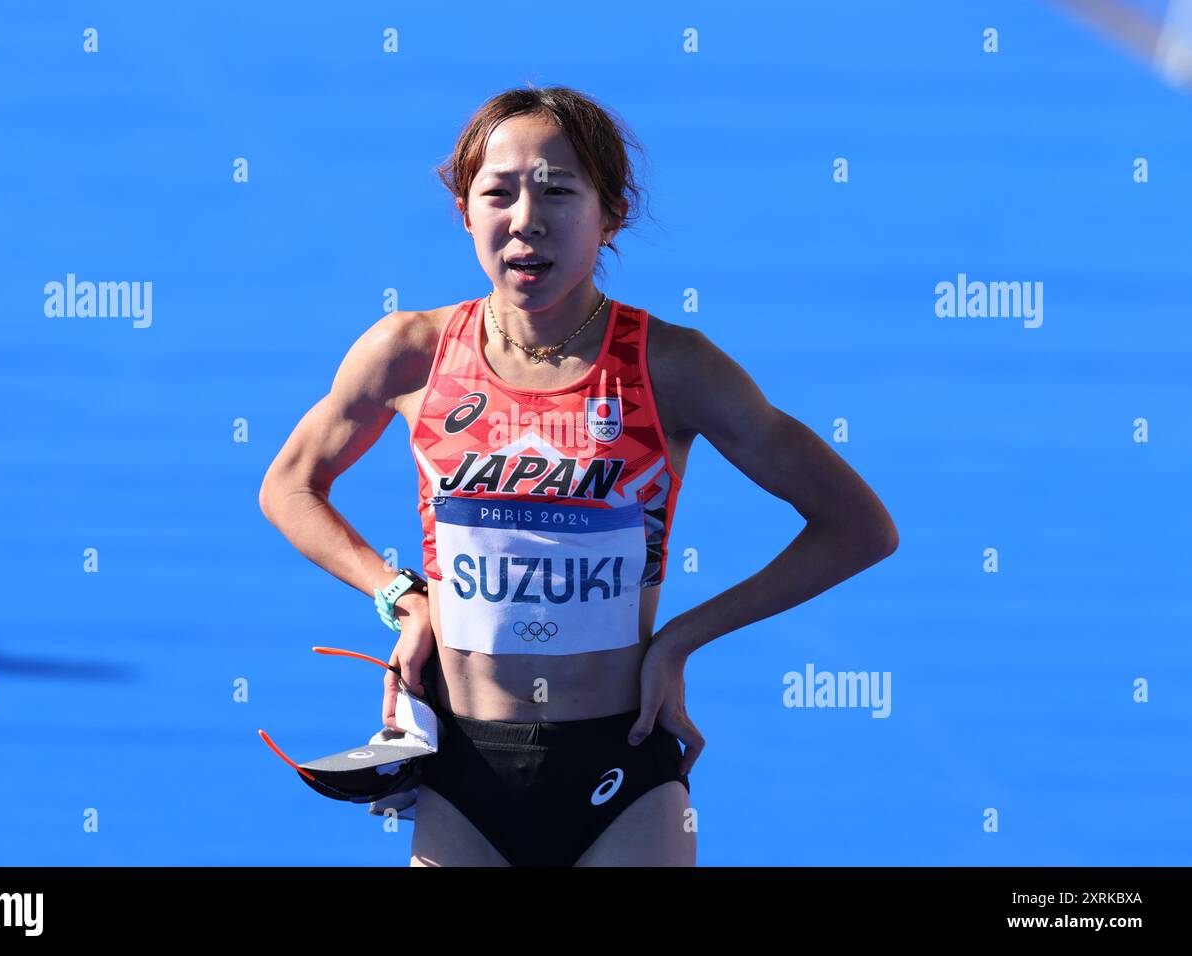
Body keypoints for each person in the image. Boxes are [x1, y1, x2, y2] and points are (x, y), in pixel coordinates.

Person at [258, 85, 899, 867]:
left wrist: (680, 641)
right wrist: (400, 597)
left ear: (611, 214)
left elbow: (859, 526)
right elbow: (289, 486)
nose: (526, 219)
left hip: (622, 768)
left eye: (559, 192)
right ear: (466, 211)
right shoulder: (411, 352)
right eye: (498, 192)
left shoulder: (671, 366)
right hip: (463, 774)